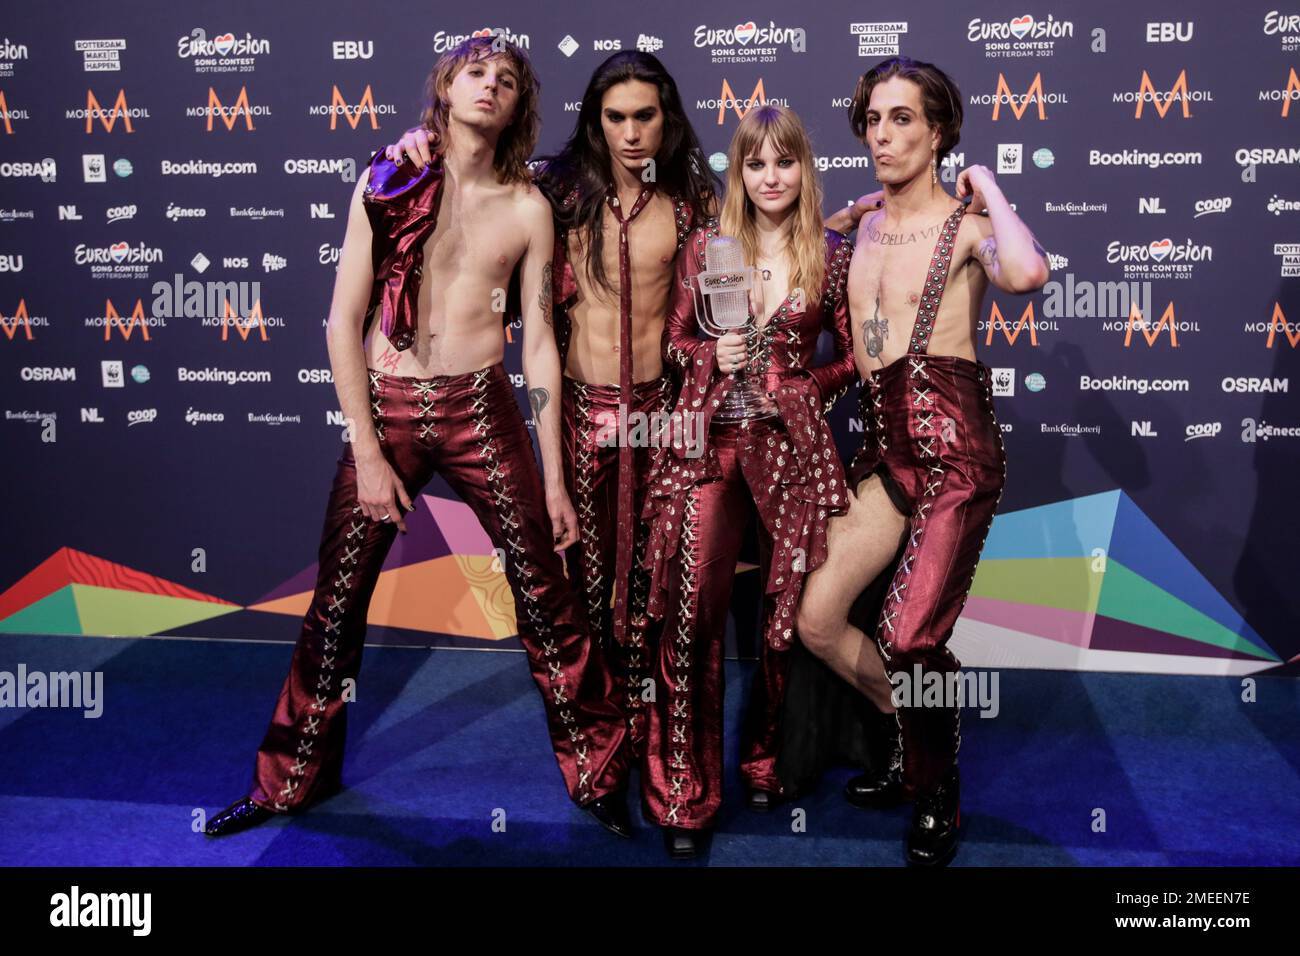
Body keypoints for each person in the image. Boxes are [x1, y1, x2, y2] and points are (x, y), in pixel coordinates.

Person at [204, 36, 631, 838]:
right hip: (390, 409)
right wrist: (367, 450)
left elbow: (538, 340)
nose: (490, 87)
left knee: (546, 595)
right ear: (446, 84)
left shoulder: (529, 205)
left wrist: (553, 479)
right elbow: (343, 321)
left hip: (481, 407)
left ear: (518, 104)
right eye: (476, 73)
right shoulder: (389, 178)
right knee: (334, 606)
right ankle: (287, 782)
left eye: (506, 80)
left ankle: (598, 771)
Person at [384, 52, 719, 831]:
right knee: (584, 598)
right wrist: (414, 146)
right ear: (595, 121)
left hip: (665, 420)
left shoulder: (695, 201)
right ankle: (606, 760)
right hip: (579, 416)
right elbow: (467, 162)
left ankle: (674, 781)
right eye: (616, 117)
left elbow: (760, 254)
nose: (632, 132)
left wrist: (845, 220)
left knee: (667, 600)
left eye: (646, 116)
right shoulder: (556, 192)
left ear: (666, 120)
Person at [794, 55, 1050, 866]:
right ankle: (917, 738)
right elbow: (796, 234)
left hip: (956, 457)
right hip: (886, 452)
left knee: (909, 638)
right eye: (873, 118)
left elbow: (1029, 273)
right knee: (817, 621)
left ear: (938, 130)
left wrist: (989, 188)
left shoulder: (968, 227)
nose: (882, 134)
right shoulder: (861, 224)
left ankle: (936, 783)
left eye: (903, 118)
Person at [640, 104, 857, 858]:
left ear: (804, 168)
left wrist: (802, 384)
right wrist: (708, 357)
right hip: (709, 447)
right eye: (757, 163)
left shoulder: (831, 251)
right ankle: (684, 796)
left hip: (790, 452)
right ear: (739, 170)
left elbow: (854, 358)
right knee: (691, 613)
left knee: (780, 621)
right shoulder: (709, 245)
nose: (771, 177)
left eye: (785, 162)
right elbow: (671, 341)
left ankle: (767, 760)